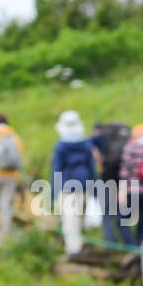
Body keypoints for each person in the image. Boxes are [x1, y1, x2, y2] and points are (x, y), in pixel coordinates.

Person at [50, 110, 96, 257]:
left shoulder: (61, 146)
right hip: (85, 185)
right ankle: (78, 245)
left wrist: (53, 193)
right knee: (79, 216)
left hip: (67, 186)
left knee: (70, 218)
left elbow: (56, 170)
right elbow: (92, 167)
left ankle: (73, 250)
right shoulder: (86, 144)